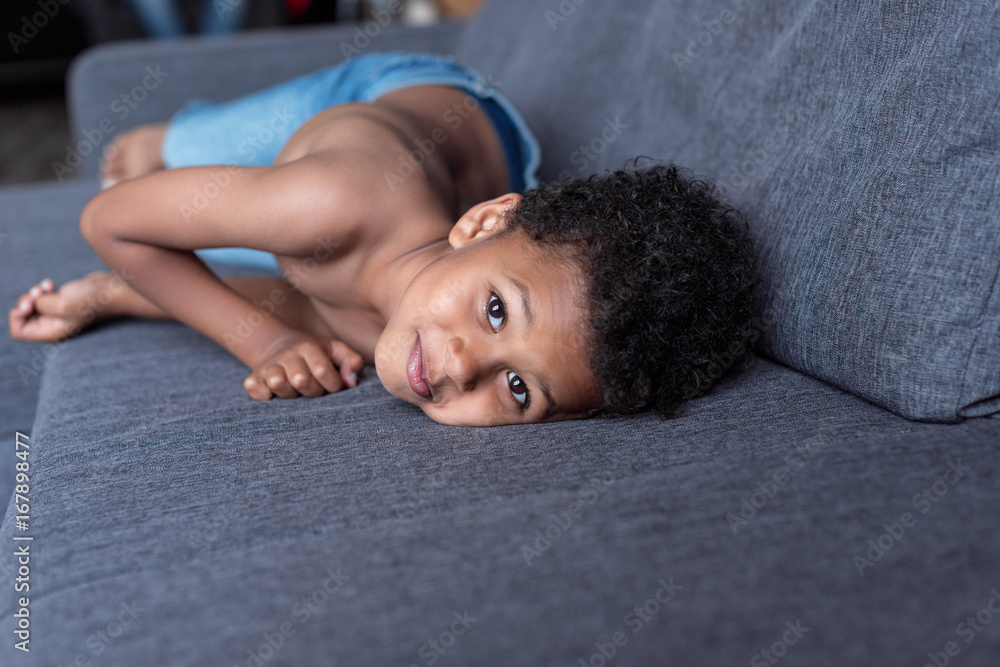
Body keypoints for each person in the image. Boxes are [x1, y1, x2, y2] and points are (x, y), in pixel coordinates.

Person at [9, 52, 762, 427]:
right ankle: (166, 138)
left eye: (520, 390)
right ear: (478, 226)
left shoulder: (420, 320)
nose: (465, 368)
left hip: (484, 186)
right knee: (161, 175)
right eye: (498, 313)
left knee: (279, 265)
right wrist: (260, 344)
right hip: (388, 104)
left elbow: (299, 307)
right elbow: (107, 222)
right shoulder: (328, 204)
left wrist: (115, 293)